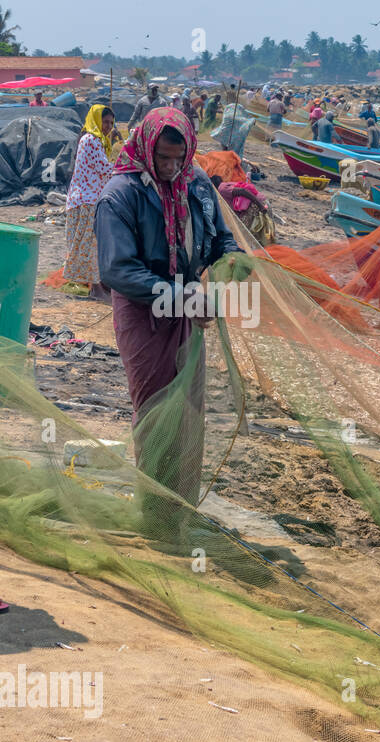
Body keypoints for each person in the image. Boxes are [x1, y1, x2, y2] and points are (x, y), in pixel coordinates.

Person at [95, 108, 240, 541]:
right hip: (144, 314)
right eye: (164, 159)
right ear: (146, 147)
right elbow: (117, 270)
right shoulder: (120, 194)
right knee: (158, 409)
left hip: (187, 309)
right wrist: (180, 295)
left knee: (189, 411)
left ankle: (180, 506)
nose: (172, 168)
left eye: (180, 158)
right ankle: (155, 513)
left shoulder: (195, 184)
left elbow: (220, 236)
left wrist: (232, 261)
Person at [64, 106, 116, 301]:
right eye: (105, 122)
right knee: (91, 244)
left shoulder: (96, 141)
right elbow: (104, 168)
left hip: (85, 198)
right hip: (87, 199)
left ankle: (95, 284)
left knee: (87, 244)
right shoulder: (92, 140)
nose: (108, 127)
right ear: (96, 120)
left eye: (111, 123)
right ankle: (96, 288)